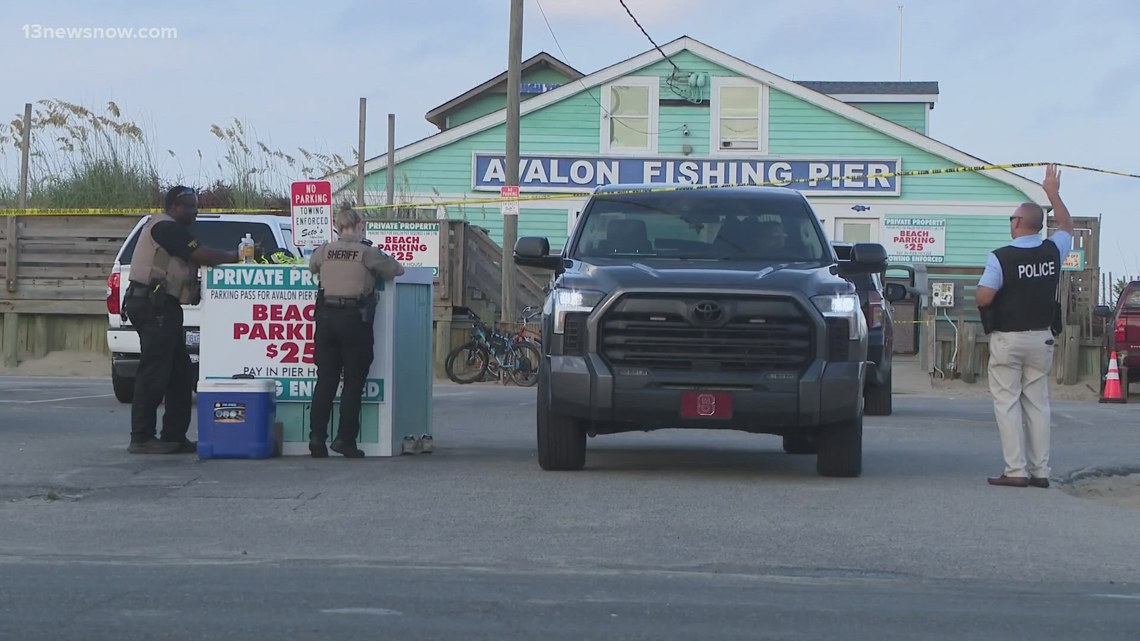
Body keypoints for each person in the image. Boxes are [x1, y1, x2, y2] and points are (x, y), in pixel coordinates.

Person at [123, 186, 249, 454]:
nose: (195, 211)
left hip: (162, 304)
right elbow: (200, 255)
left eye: (195, 205)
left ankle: (174, 435)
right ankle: (142, 436)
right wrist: (235, 256)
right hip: (152, 304)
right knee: (154, 371)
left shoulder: (170, 228)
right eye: (189, 206)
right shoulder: (166, 228)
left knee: (179, 372)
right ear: (174, 207)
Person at [975, 164, 1073, 488]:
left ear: (1018, 223)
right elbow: (1067, 226)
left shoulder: (1000, 257)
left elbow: (985, 296)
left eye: (1012, 218)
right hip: (1042, 337)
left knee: (1006, 402)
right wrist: (1053, 193)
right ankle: (1041, 471)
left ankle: (1015, 470)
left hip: (1008, 338)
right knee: (1038, 403)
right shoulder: (1053, 250)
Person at [307, 206, 405, 458]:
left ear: (337, 227)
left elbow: (312, 267)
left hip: (326, 318)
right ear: (360, 225)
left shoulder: (325, 250)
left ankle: (316, 438)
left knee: (325, 380)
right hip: (354, 319)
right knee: (353, 381)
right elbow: (396, 270)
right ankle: (345, 439)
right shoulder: (367, 253)